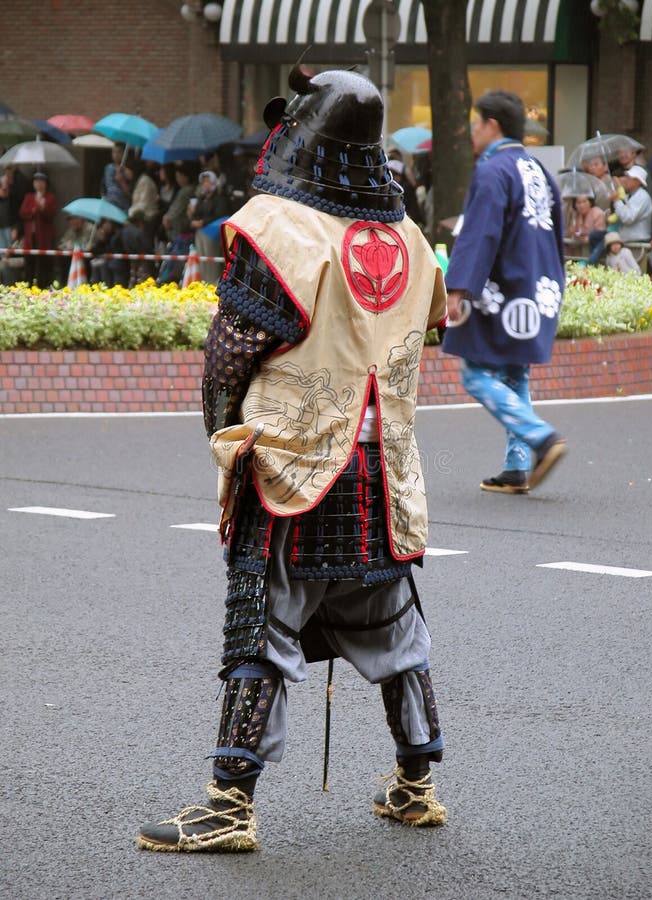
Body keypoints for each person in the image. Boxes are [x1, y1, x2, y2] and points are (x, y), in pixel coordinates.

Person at [137, 66, 448, 854]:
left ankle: (227, 805)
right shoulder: (409, 238)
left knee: (260, 631)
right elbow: (426, 334)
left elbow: (230, 355)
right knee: (393, 626)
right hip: (384, 472)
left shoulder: (278, 226)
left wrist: (225, 438)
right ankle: (416, 786)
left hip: (295, 466)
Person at [443, 90, 567, 494]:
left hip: (501, 288)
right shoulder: (537, 169)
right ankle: (516, 466)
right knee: (515, 372)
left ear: (491, 124)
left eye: (476, 123)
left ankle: (541, 437)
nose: (473, 132)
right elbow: (556, 234)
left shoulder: (492, 170)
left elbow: (480, 233)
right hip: (535, 285)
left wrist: (458, 287)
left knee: (476, 374)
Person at [18, 171, 57, 288]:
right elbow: (22, 212)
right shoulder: (29, 197)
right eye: (36, 181)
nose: (38, 184)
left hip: (44, 237)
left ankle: (42, 286)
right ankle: (28, 285)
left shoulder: (50, 197)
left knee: (43, 264)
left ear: (45, 184)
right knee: (29, 263)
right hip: (30, 237)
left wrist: (42, 208)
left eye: (41, 181)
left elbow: (51, 214)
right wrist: (34, 209)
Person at [190, 169, 228, 284]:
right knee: (201, 257)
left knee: (210, 257)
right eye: (203, 182)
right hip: (200, 231)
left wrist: (203, 222)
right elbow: (196, 214)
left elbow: (220, 214)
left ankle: (212, 281)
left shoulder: (220, 198)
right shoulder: (201, 198)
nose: (205, 184)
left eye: (208, 181)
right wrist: (193, 220)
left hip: (213, 233)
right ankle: (203, 281)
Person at [100, 142, 131, 212]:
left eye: (119, 152)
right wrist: (103, 197)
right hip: (109, 201)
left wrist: (121, 180)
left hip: (122, 204)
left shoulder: (128, 171)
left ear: (123, 154)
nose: (116, 155)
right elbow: (103, 185)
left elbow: (129, 193)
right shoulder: (108, 168)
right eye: (114, 152)